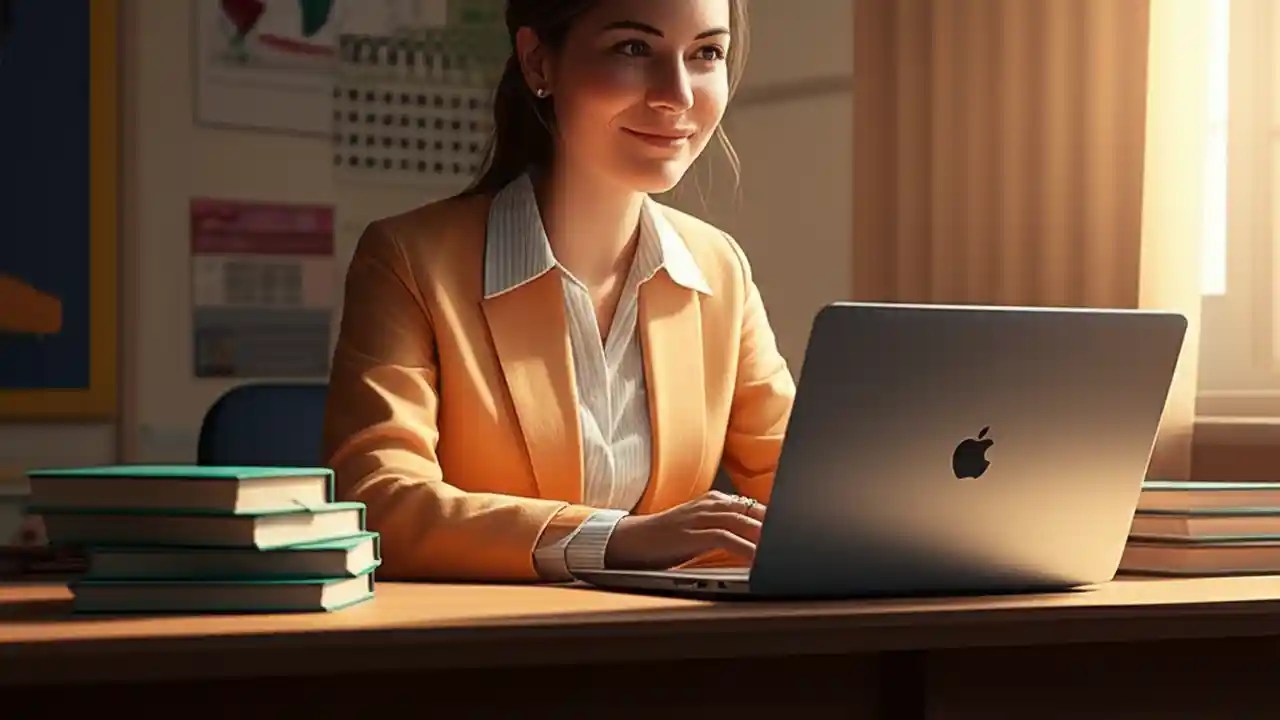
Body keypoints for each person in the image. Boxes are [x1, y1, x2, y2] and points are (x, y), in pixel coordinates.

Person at [321, 0, 795, 583]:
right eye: (633, 48)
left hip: (667, 633)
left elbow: (804, 486)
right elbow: (379, 502)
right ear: (538, 62)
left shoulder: (719, 269)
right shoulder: (410, 259)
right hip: (491, 634)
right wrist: (616, 538)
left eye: (706, 53)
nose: (677, 94)